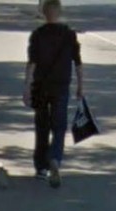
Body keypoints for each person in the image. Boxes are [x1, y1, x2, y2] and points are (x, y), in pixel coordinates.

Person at [22, 0, 84, 188]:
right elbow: (78, 63)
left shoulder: (37, 35)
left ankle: (41, 168)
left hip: (41, 86)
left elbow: (31, 64)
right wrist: (81, 86)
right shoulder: (69, 35)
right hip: (61, 86)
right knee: (59, 127)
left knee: (42, 126)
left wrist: (26, 87)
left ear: (44, 13)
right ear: (59, 12)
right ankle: (55, 159)